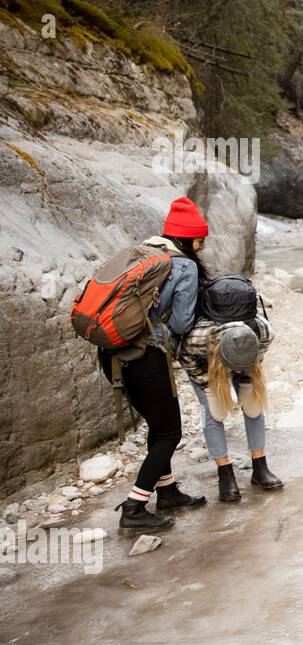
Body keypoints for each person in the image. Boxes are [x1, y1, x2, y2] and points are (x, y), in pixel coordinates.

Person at [99, 197, 210, 531]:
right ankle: (134, 508)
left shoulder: (141, 253)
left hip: (112, 352)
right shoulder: (184, 266)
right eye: (199, 240)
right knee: (170, 433)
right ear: (186, 238)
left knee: (158, 427)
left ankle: (167, 492)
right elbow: (180, 323)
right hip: (146, 357)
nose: (201, 246)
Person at [176, 308, 280, 503]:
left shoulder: (263, 331)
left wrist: (248, 376)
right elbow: (186, 358)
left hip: (248, 356)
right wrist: (208, 387)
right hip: (208, 362)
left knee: (253, 406)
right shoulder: (198, 341)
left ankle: (260, 468)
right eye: (235, 367)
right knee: (214, 413)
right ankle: (225, 474)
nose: (236, 371)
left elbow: (260, 353)